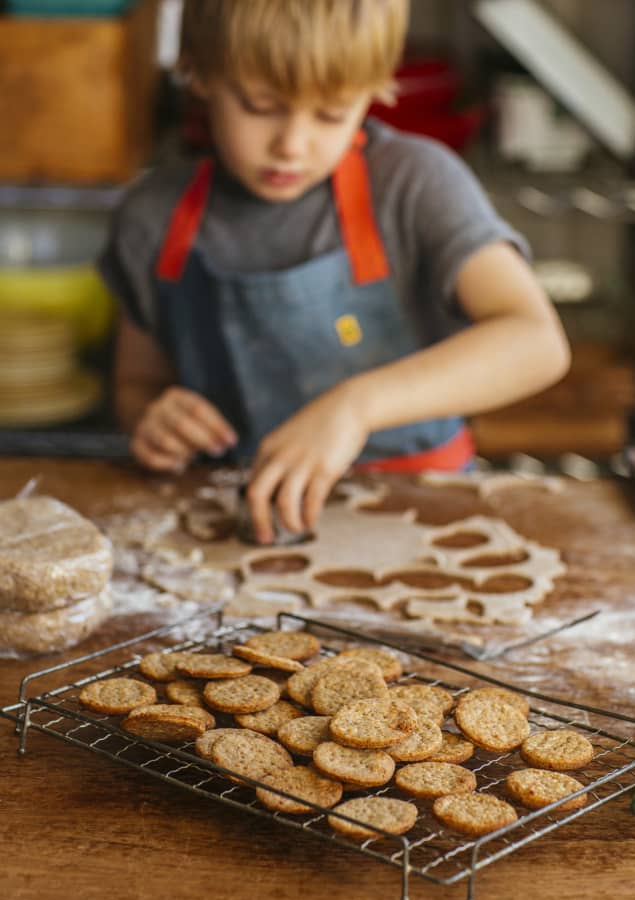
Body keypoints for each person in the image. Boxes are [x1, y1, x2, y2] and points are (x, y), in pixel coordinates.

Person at [100, 0, 570, 545]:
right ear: (197, 72)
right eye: (260, 105)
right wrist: (153, 420)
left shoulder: (414, 184)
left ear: (375, 90)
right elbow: (137, 385)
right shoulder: (152, 217)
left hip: (419, 515)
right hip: (235, 528)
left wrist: (355, 408)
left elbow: (537, 341)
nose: (292, 145)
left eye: (331, 113)